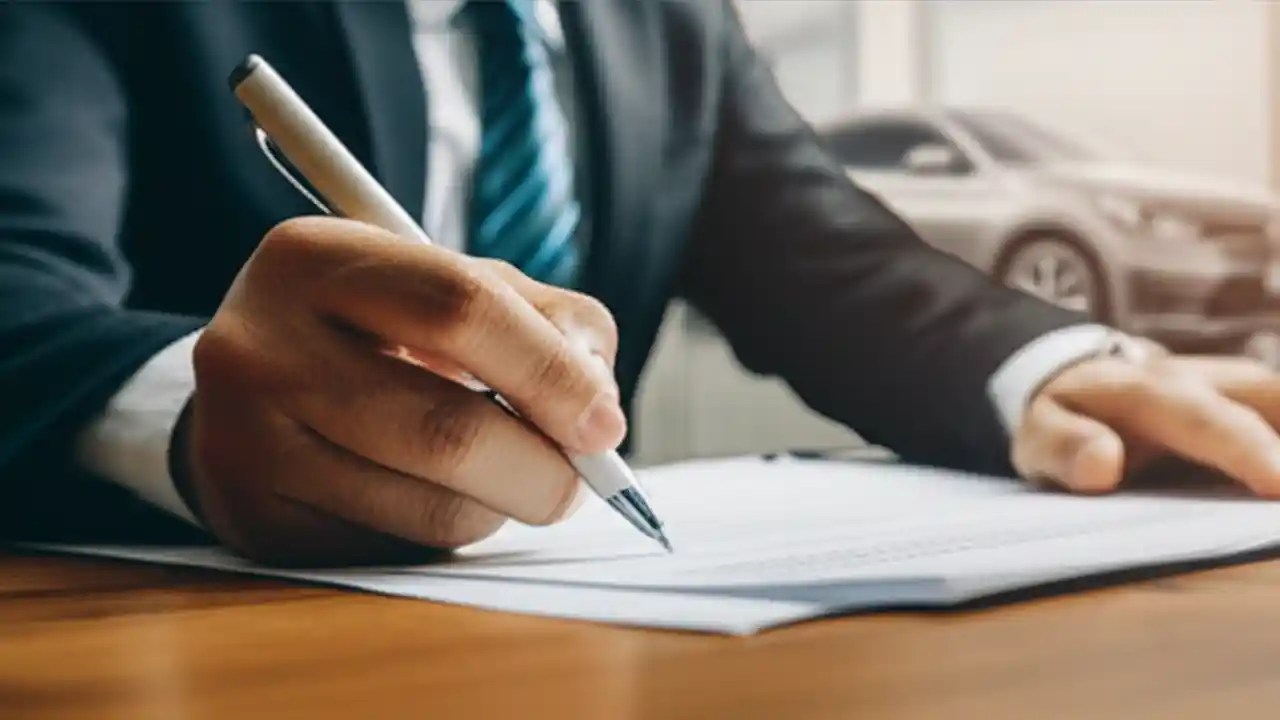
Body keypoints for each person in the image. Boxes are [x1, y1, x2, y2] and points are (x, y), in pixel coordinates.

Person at [2, 1, 1279, 566]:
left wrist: (1059, 370)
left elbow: (831, 259)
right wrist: (182, 414)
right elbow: (16, 292)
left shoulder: (665, 18)